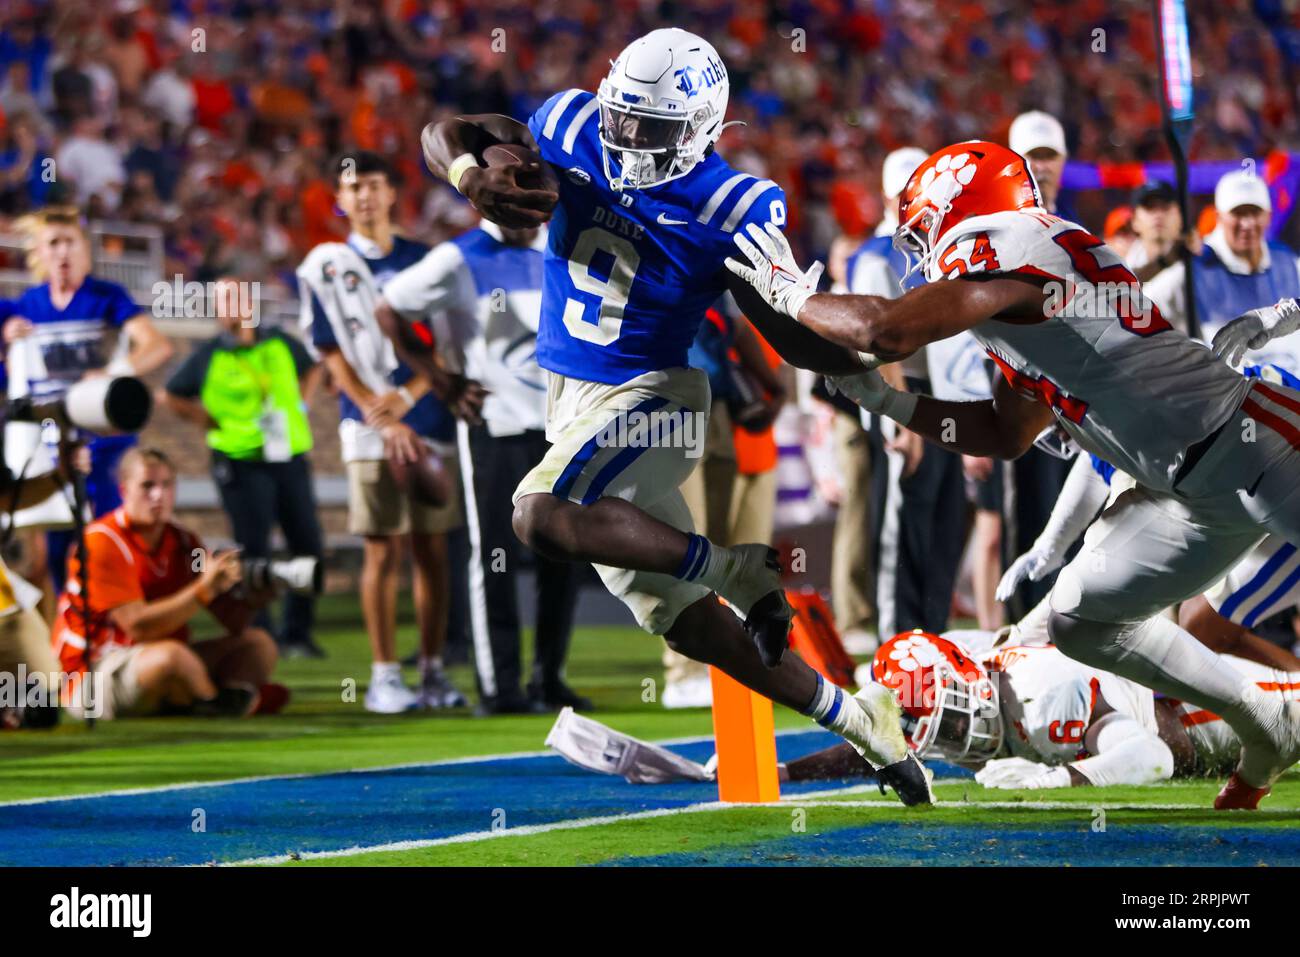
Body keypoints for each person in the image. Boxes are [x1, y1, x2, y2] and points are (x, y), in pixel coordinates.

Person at [422, 27, 931, 804]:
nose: (625, 137)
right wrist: (469, 174)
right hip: (574, 404)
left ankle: (736, 568)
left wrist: (870, 384)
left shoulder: (730, 204)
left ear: (698, 129)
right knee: (694, 627)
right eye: (621, 115)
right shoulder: (571, 123)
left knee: (537, 514)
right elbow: (447, 130)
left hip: (654, 396)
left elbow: (784, 330)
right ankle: (863, 723)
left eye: (648, 127)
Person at [724, 139, 1300, 810]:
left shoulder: (1010, 241)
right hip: (1186, 493)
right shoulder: (1024, 287)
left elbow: (883, 332)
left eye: (923, 230)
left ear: (961, 208)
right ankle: (1266, 722)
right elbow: (1004, 433)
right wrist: (891, 403)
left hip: (1255, 441)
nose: (921, 253)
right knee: (1082, 619)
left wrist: (796, 295)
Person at [550, 626, 1300, 791]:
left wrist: (1063, 778)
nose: (948, 740)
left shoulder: (1040, 690)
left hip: (1234, 717)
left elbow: (1154, 755)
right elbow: (881, 744)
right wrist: (786, 769)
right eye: (934, 727)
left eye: (947, 722)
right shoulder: (962, 695)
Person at [377, 218, 585, 715]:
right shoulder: (458, 257)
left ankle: (549, 678)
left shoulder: (559, 246)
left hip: (560, 426)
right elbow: (388, 309)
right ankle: (500, 687)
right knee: (495, 556)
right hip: (494, 425)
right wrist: (441, 380)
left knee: (566, 553)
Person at [298, 151, 468, 714]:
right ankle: (384, 676)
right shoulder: (325, 267)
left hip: (427, 414)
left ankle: (433, 670)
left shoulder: (426, 259)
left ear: (393, 192)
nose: (364, 195)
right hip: (367, 422)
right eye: (352, 187)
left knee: (432, 550)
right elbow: (329, 351)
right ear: (339, 200)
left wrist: (408, 399)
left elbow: (446, 343)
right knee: (381, 549)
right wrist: (380, 411)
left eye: (373, 184)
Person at [3, 205, 173, 600]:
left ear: (85, 250)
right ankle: (74, 626)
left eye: (70, 242)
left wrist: (114, 371)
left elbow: (156, 346)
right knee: (58, 551)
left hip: (105, 440)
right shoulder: (26, 306)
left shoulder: (105, 296)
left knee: (113, 536)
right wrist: (9, 339)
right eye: (53, 243)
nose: (62, 252)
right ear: (38, 253)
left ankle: (128, 617)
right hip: (52, 445)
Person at [49, 447, 285, 720]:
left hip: (162, 658)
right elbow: (138, 625)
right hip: (92, 671)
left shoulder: (187, 544)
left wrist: (254, 597)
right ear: (124, 491)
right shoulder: (100, 542)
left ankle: (205, 696)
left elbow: (231, 619)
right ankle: (215, 702)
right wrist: (204, 589)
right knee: (172, 658)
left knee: (258, 644)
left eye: (166, 485)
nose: (158, 495)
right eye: (147, 486)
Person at [160, 276, 326, 660]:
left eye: (235, 298)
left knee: (308, 542)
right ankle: (260, 631)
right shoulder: (209, 355)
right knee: (253, 549)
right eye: (221, 301)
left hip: (288, 455)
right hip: (240, 461)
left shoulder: (280, 342)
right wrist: (202, 419)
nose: (229, 308)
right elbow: (171, 394)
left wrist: (302, 402)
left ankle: (298, 633)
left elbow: (313, 368)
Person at [847, 145, 965, 642]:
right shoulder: (878, 256)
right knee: (903, 522)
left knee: (944, 521)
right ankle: (897, 644)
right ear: (887, 197)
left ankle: (933, 641)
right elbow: (876, 341)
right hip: (905, 391)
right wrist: (899, 413)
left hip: (944, 393)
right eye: (905, 193)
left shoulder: (938, 249)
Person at [1145, 169, 1300, 363]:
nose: (1247, 223)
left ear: (1268, 216)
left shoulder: (1289, 263)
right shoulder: (1194, 270)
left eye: (1255, 212)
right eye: (1238, 213)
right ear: (1219, 217)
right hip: (1229, 380)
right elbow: (1140, 310)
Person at [1124, 180, 1200, 282]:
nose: (1158, 215)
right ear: (1134, 220)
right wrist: (1169, 259)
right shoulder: (1123, 267)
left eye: (1165, 207)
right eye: (1149, 207)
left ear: (1181, 217)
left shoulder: (1199, 260)